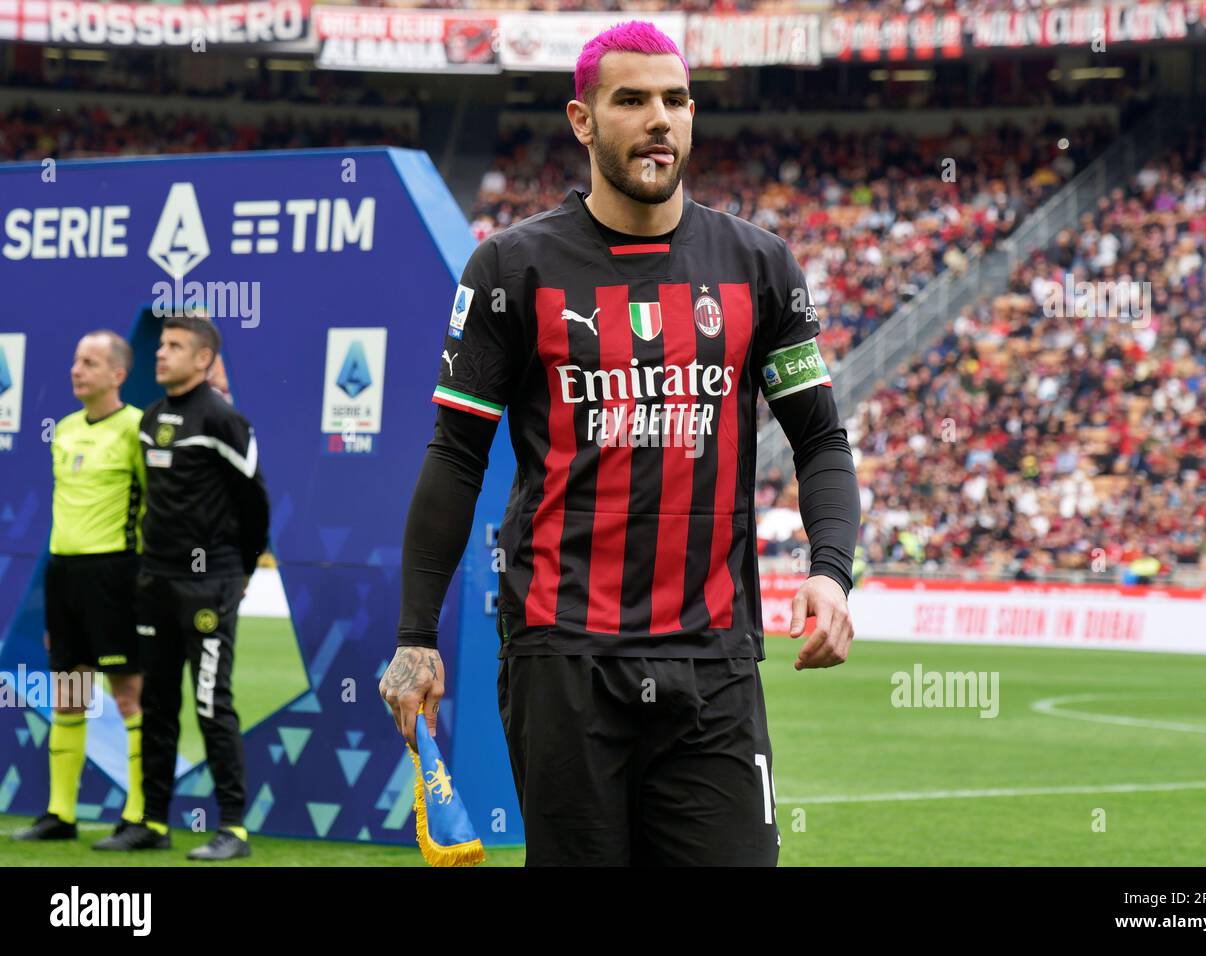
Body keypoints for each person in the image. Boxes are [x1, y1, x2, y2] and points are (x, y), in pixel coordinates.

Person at [380, 21, 860, 866]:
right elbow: (456, 455)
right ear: (582, 119)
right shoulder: (509, 269)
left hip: (715, 658)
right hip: (563, 655)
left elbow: (821, 440)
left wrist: (830, 573)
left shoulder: (761, 266)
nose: (660, 120)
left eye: (676, 100)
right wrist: (416, 633)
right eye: (631, 100)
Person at [95, 315, 269, 860]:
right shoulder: (149, 419)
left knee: (210, 702)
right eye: (161, 345)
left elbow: (254, 502)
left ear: (203, 359)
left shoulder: (223, 420)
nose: (161, 353)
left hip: (209, 587)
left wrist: (237, 572)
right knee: (158, 703)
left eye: (175, 346)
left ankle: (233, 828)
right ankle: (150, 821)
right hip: (156, 583)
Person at [13, 332, 147, 846]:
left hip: (114, 574)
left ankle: (137, 817)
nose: (76, 370)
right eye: (74, 361)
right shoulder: (64, 430)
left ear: (117, 374)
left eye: (89, 362)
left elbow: (152, 507)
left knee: (128, 694)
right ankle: (59, 814)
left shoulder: (136, 428)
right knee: (69, 694)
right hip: (64, 575)